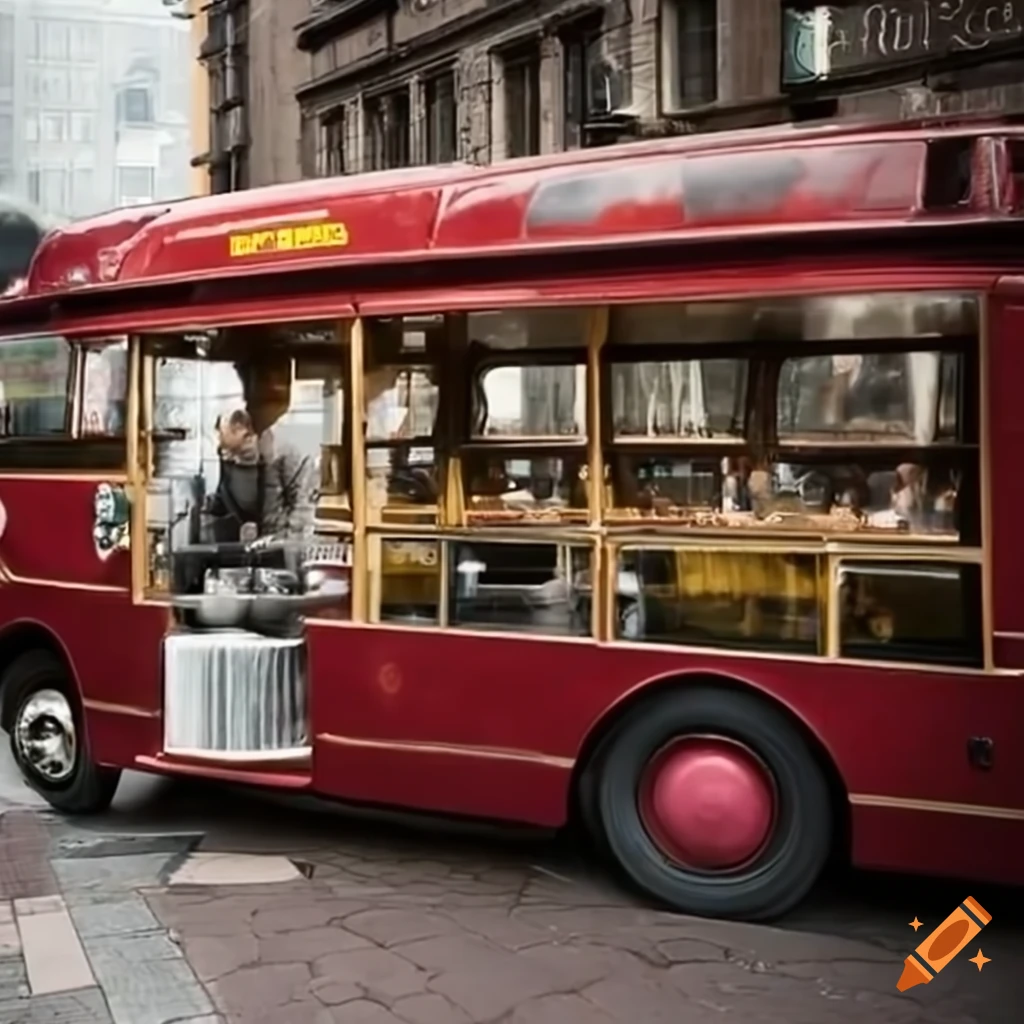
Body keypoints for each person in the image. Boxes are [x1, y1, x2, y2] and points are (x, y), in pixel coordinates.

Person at [207, 357, 316, 545]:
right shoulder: (258, 445)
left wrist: (279, 542)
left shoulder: (287, 448)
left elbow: (302, 514)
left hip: (283, 547)